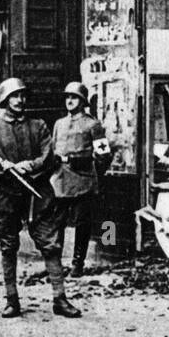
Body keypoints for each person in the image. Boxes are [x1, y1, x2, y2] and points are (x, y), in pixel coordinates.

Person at [0, 78, 80, 320]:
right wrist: (6, 168)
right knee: (8, 248)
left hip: (37, 196)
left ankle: (59, 299)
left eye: (22, 96)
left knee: (51, 246)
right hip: (6, 197)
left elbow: (49, 156)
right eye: (14, 96)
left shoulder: (39, 126)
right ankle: (12, 300)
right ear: (5, 100)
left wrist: (29, 166)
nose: (20, 100)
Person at [50, 82, 113, 278]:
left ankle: (78, 263)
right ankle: (56, 263)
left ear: (83, 101)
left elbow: (104, 155)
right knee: (57, 224)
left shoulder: (92, 124)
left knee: (82, 224)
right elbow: (54, 150)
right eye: (67, 97)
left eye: (74, 97)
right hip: (60, 181)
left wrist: (91, 172)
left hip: (82, 182)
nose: (70, 101)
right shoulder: (59, 124)